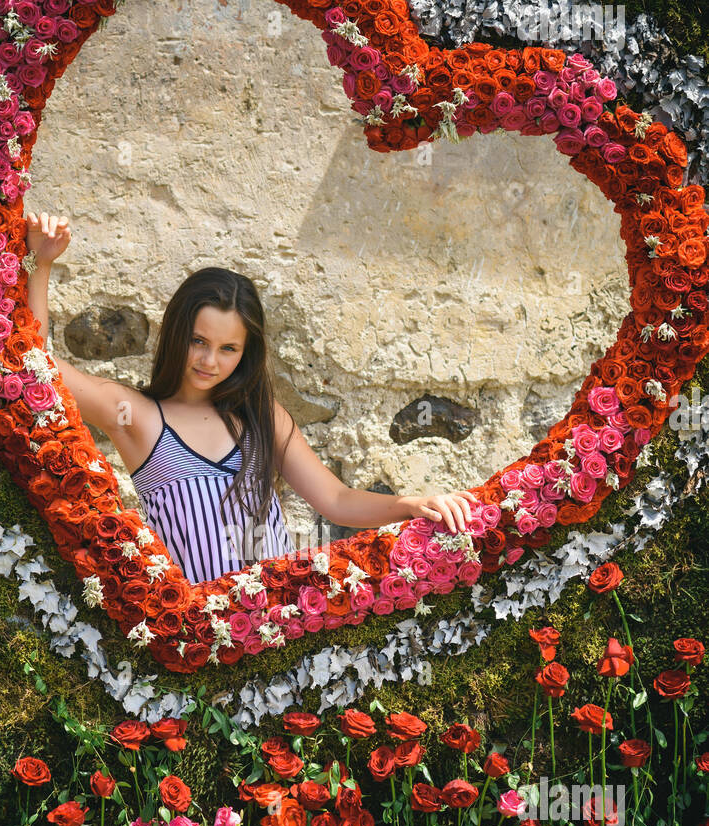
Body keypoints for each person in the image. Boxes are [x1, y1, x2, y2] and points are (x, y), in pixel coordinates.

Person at [25, 211, 480, 584]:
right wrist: (41, 263)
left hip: (282, 624)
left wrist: (411, 504)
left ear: (245, 354)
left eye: (228, 349)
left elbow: (336, 501)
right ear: (177, 334)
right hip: (203, 631)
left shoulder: (263, 417)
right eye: (198, 341)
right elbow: (38, 362)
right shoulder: (138, 417)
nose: (209, 361)